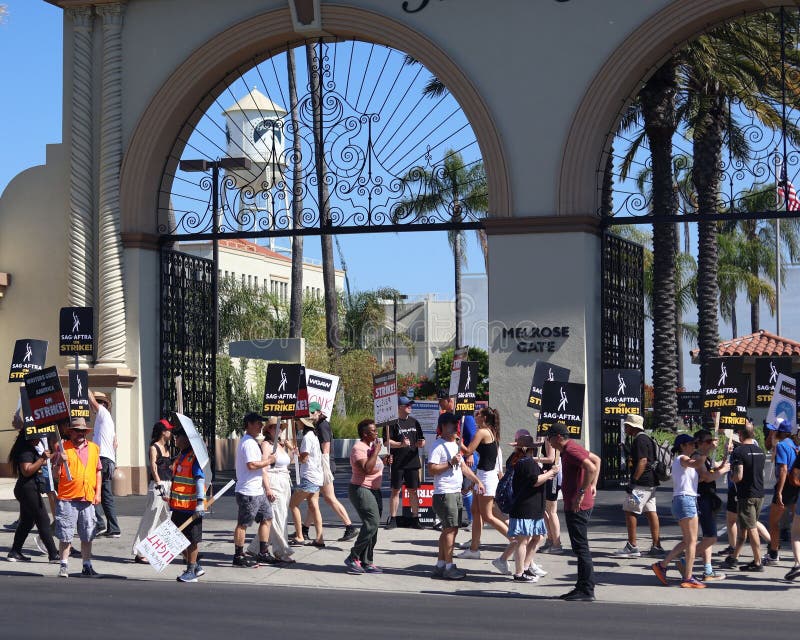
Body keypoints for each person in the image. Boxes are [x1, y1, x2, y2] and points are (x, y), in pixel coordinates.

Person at [427, 412, 485, 580]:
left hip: (454, 493)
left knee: (448, 530)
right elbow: (432, 469)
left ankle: (440, 565)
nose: (456, 427)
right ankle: (449, 566)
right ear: (444, 426)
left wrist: (476, 480)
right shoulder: (438, 446)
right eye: (453, 424)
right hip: (445, 494)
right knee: (450, 530)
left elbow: (463, 468)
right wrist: (449, 463)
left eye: (457, 424)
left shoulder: (455, 445)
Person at [546, 423, 600, 601]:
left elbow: (591, 467)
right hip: (578, 504)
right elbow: (596, 460)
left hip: (578, 506)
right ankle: (581, 585)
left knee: (581, 548)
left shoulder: (571, 450)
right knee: (579, 548)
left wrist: (582, 493)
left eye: (550, 437)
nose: (549, 442)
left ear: (559, 437)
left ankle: (586, 589)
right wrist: (592, 485)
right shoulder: (571, 449)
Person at [650, 433, 708, 589]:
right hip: (685, 500)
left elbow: (704, 475)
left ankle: (662, 565)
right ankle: (688, 577)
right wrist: (705, 451)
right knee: (691, 542)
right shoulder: (682, 459)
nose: (694, 446)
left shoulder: (686, 463)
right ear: (682, 446)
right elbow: (696, 463)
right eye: (691, 443)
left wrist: (722, 466)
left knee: (687, 541)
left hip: (684, 500)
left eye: (695, 444)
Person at [502, 433, 559, 582]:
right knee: (523, 540)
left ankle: (526, 567)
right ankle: (520, 572)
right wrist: (551, 473)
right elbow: (534, 481)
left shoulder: (519, 460)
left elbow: (531, 479)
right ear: (529, 449)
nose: (534, 451)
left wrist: (545, 474)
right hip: (525, 507)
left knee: (538, 537)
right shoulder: (526, 462)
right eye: (533, 448)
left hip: (530, 507)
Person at [7, 410, 59, 563]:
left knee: (27, 521)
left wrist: (48, 459)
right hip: (27, 489)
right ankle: (53, 554)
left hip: (28, 488)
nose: (39, 440)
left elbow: (33, 466)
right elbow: (27, 470)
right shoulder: (25, 450)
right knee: (42, 519)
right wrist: (42, 458)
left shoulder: (29, 448)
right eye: (37, 437)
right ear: (30, 437)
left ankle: (15, 552)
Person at [53, 417, 102, 578]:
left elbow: (98, 471)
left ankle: (86, 565)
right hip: (68, 498)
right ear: (71, 432)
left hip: (87, 497)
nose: (80, 433)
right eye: (77, 431)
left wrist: (98, 493)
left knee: (88, 534)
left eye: (83, 431)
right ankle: (63, 565)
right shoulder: (62, 448)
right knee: (66, 534)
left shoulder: (94, 448)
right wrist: (58, 461)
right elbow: (54, 477)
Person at [303, 402, 357, 542]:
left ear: (319, 412)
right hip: (321, 466)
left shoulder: (322, 425)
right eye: (309, 412)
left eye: (313, 412)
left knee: (328, 498)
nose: (310, 415)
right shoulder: (317, 425)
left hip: (324, 465)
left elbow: (325, 447)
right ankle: (304, 529)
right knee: (312, 498)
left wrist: (324, 467)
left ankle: (349, 526)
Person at [458, 406, 507, 558]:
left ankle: (515, 540)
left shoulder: (482, 432)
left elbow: (468, 451)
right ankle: (474, 549)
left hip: (486, 477)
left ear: (484, 418)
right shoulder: (491, 430)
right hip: (483, 474)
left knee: (488, 515)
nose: (475, 416)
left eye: (478, 414)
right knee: (475, 511)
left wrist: (456, 440)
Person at [614, 414, 663, 559]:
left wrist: (633, 481)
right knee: (650, 512)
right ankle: (656, 545)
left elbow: (642, 461)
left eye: (627, 426)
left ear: (632, 427)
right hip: (650, 481)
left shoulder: (640, 439)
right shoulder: (646, 438)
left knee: (630, 511)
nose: (625, 428)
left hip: (642, 482)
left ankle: (632, 546)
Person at [247, 417, 296, 562]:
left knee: (280, 515)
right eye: (275, 427)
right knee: (278, 517)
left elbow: (286, 463)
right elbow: (264, 467)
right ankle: (282, 551)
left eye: (280, 427)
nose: (279, 430)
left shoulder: (281, 445)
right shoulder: (267, 445)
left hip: (285, 482)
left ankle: (255, 548)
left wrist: (292, 451)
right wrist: (267, 488)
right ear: (268, 429)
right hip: (274, 482)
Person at [722, 419, 766, 572]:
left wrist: (732, 476)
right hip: (759, 493)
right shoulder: (760, 451)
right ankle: (734, 557)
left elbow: (738, 476)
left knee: (751, 528)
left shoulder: (738, 452)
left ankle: (758, 561)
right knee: (744, 528)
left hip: (745, 495)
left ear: (740, 434)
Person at [344, 418, 387, 574]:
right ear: (365, 433)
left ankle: (367, 561)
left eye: (376, 431)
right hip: (361, 489)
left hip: (374, 490)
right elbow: (367, 469)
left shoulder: (369, 447)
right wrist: (376, 452)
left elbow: (375, 465)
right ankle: (353, 557)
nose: (377, 433)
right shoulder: (359, 448)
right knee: (371, 523)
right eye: (373, 431)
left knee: (374, 527)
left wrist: (384, 461)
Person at [233, 413, 276, 567]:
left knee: (267, 518)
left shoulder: (251, 441)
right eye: (258, 423)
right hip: (248, 491)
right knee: (243, 524)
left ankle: (263, 552)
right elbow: (251, 465)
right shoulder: (249, 443)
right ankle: (238, 555)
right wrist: (269, 461)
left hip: (257, 490)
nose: (260, 426)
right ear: (249, 424)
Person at [168, 426, 207, 583]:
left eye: (178, 436)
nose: (175, 439)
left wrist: (199, 502)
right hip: (178, 506)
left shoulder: (193, 458)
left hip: (191, 507)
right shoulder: (181, 456)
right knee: (176, 539)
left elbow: (199, 479)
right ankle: (195, 565)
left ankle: (191, 571)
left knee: (192, 539)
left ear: (186, 439)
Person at [132, 419, 173, 563]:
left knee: (168, 519)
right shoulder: (154, 447)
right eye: (168, 430)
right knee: (151, 519)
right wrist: (159, 485)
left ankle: (163, 549)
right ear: (163, 432)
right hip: (158, 486)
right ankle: (140, 552)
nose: (171, 432)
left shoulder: (168, 448)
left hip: (168, 484)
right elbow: (154, 468)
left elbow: (170, 468)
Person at [693, 429, 729, 581]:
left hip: (708, 498)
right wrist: (723, 471)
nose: (712, 443)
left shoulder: (705, 457)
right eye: (708, 441)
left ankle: (707, 570)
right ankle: (685, 559)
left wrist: (726, 454)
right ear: (699, 443)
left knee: (708, 536)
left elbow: (715, 467)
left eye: (712, 440)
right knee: (711, 537)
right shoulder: (696, 457)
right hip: (702, 498)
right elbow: (706, 477)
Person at [385, 396, 426, 529]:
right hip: (397, 462)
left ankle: (415, 518)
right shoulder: (392, 423)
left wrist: (421, 443)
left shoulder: (415, 422)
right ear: (400, 407)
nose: (410, 407)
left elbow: (422, 439)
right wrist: (400, 444)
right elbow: (386, 442)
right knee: (395, 490)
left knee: (413, 491)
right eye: (407, 405)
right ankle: (393, 518)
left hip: (412, 461)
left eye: (410, 404)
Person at [764, 419, 797, 565]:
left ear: (780, 432)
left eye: (775, 430)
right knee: (797, 523)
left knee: (773, 522)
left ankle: (773, 553)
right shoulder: (795, 445)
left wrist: (779, 491)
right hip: (796, 486)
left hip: (786, 487)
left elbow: (783, 469)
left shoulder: (783, 445)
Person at [89, 390, 120, 538]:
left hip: (102, 459)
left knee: (89, 489)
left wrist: (81, 382)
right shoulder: (106, 420)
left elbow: (91, 400)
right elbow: (115, 444)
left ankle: (99, 523)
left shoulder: (102, 413)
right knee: (106, 495)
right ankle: (113, 527)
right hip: (107, 460)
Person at [289, 417, 325, 546]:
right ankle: (319, 538)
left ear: (303, 424)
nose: (296, 424)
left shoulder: (307, 438)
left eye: (298, 422)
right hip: (316, 476)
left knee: (293, 504)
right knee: (314, 506)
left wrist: (293, 452)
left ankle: (299, 536)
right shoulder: (313, 436)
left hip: (309, 476)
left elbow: (303, 459)